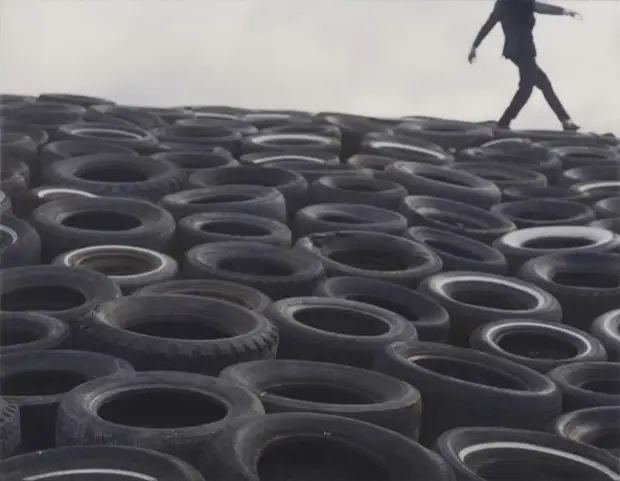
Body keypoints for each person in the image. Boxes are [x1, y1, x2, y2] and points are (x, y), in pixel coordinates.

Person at [468, 0, 582, 131]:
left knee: (526, 88)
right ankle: (565, 121)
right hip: (524, 50)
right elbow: (541, 7)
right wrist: (565, 11)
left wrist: (475, 46)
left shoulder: (501, 4)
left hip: (514, 51)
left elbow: (489, 24)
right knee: (544, 84)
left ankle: (505, 121)